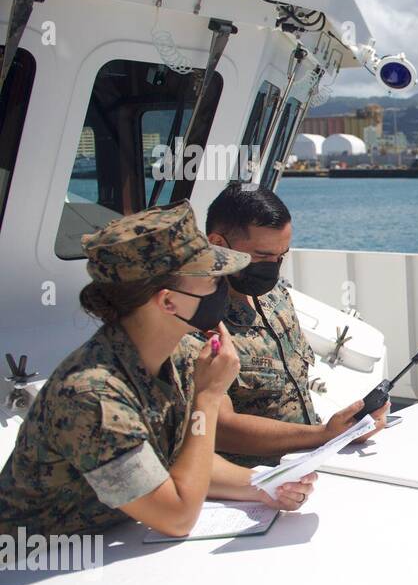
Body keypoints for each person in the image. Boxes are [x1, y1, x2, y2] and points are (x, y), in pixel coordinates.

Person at [0, 202, 315, 539]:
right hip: (27, 566)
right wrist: (207, 399)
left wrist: (264, 485)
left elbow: (181, 463)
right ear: (168, 302)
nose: (221, 286)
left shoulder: (177, 356)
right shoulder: (92, 395)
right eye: (210, 278)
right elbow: (176, 516)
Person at [203, 184, 387, 468]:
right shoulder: (197, 317)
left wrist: (342, 430)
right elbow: (220, 428)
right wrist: (322, 435)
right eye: (263, 256)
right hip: (244, 488)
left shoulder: (275, 297)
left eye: (281, 256)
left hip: (305, 464)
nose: (273, 266)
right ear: (218, 243)